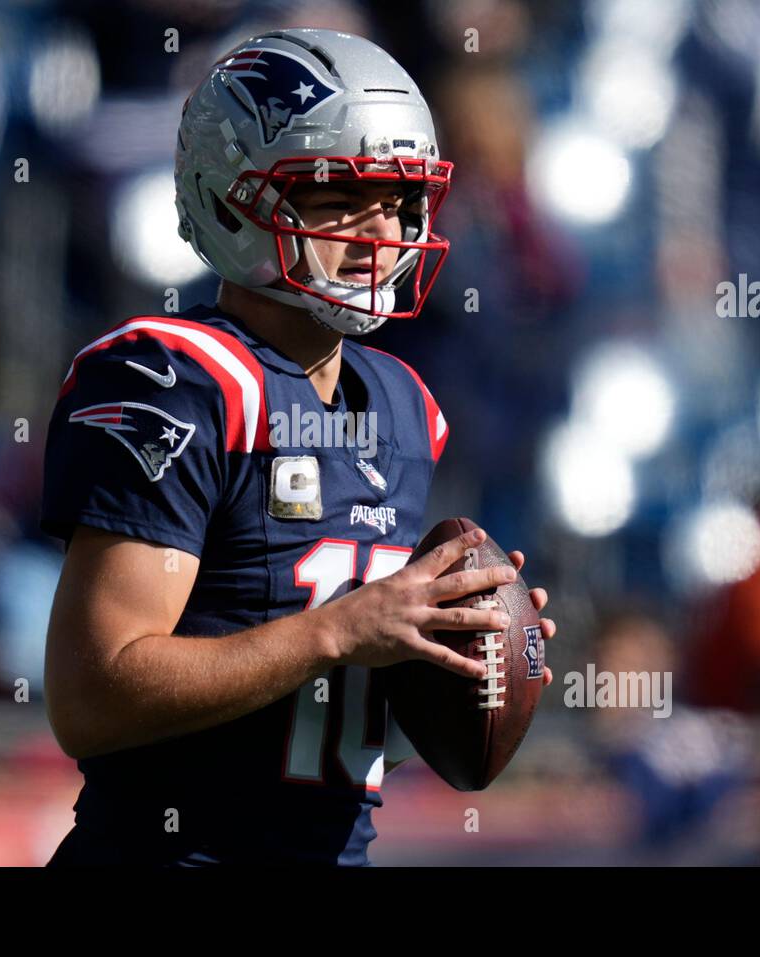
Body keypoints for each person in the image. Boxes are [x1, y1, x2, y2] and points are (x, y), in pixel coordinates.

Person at [40, 27, 556, 866]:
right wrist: (340, 631)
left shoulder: (403, 406)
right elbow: (93, 695)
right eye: (336, 195)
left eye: (398, 197)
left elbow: (317, 727)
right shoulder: (174, 381)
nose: (378, 229)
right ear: (231, 196)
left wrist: (454, 652)